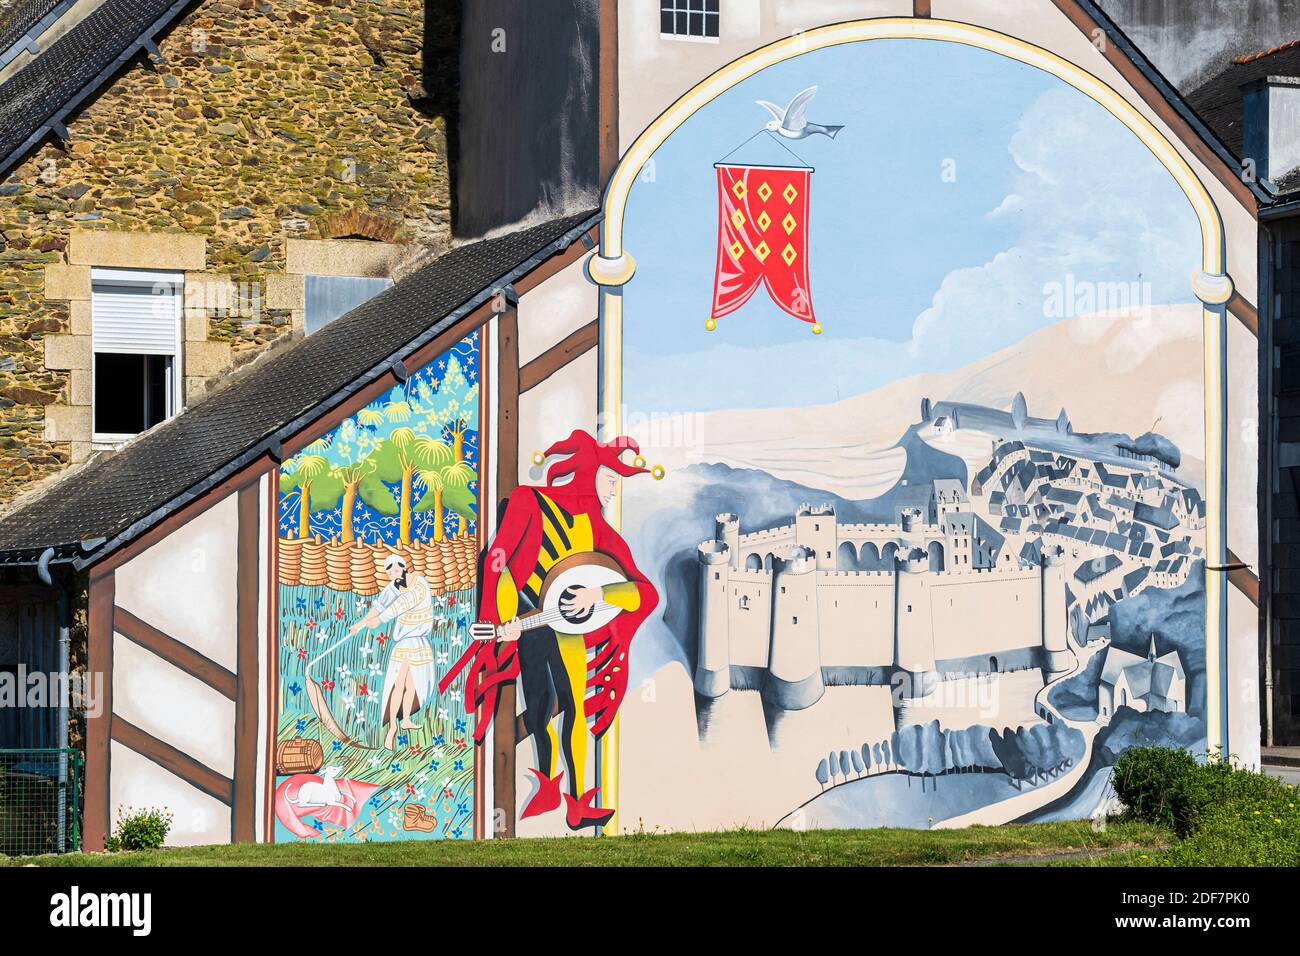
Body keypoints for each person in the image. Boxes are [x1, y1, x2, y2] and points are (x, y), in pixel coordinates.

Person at [465, 429, 660, 830]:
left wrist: (599, 592)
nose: (613, 492)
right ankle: (548, 784)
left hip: (568, 629)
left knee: (573, 707)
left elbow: (645, 593)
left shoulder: (598, 531)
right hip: (526, 616)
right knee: (540, 705)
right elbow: (498, 558)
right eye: (610, 480)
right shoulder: (528, 501)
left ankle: (575, 802)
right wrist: (498, 618)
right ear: (590, 473)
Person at [348, 553, 436, 751]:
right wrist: (360, 624)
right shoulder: (394, 587)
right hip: (405, 642)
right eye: (389, 573)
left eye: (396, 570)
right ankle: (393, 727)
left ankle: (405, 719)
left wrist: (380, 620)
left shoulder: (419, 583)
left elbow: (403, 604)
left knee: (412, 685)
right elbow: (379, 606)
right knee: (399, 684)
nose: (393, 575)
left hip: (419, 641)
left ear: (403, 567)